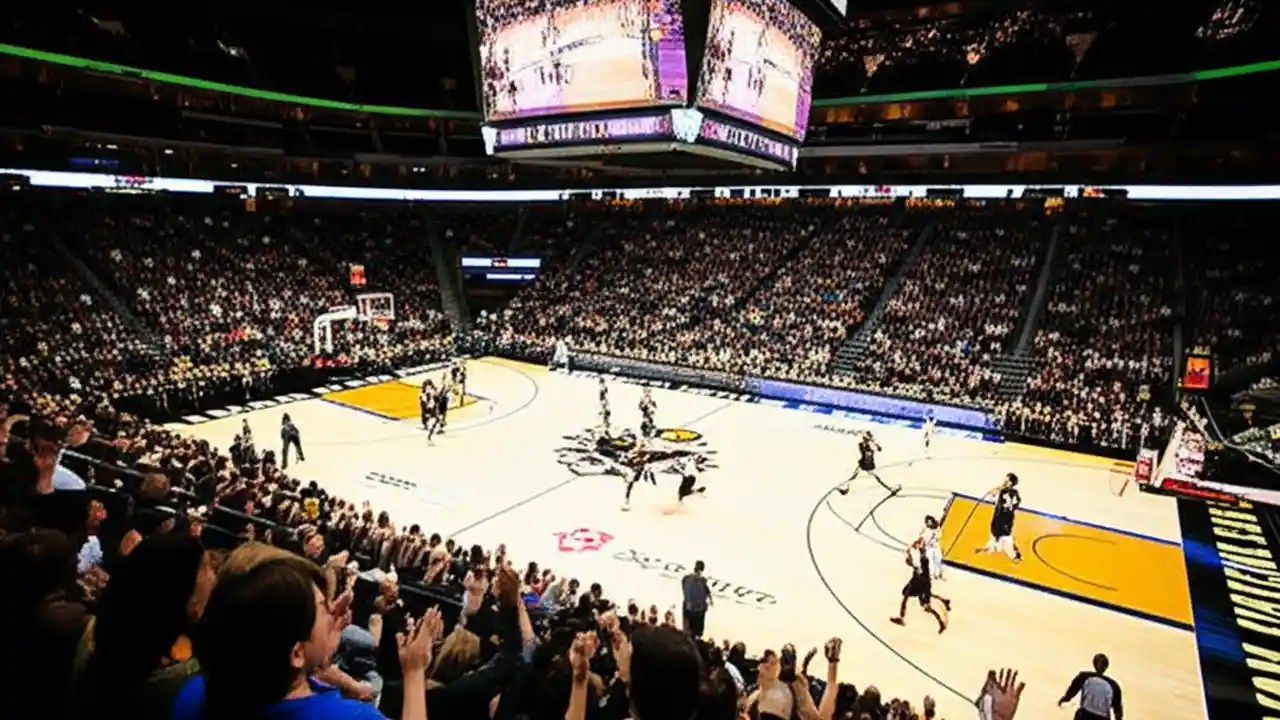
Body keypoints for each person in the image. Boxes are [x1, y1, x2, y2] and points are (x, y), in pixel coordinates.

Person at [890, 539, 951, 633]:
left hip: (920, 582)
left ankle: (902, 618)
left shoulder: (922, 561)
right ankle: (943, 603)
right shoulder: (923, 558)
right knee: (908, 596)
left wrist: (910, 560)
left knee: (922, 604)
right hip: (919, 581)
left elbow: (917, 568)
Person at [1059, 654, 1123, 720]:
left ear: (1094, 663)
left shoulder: (1084, 677)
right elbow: (1118, 710)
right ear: (1106, 667)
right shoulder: (1114, 686)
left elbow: (1073, 690)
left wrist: (1066, 698)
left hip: (1085, 715)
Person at [978, 473, 1023, 561]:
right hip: (1000, 517)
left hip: (1005, 518)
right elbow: (1017, 502)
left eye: (1007, 480)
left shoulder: (1003, 492)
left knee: (1005, 537)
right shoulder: (1013, 493)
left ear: (1011, 483)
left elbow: (992, 497)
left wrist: (996, 492)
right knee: (995, 533)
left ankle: (1014, 555)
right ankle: (991, 547)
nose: (1005, 481)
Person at [836, 431, 897, 495]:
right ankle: (846, 489)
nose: (866, 440)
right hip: (863, 464)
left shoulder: (870, 446)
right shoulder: (863, 445)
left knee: (877, 478)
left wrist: (874, 443)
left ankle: (890, 489)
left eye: (867, 439)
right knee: (854, 476)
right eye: (866, 439)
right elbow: (866, 451)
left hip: (868, 465)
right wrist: (872, 443)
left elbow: (879, 449)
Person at [681, 560, 712, 638]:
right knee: (692, 630)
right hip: (694, 609)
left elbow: (706, 590)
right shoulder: (697, 580)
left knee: (692, 630)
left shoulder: (698, 580)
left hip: (696, 609)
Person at [921, 515, 944, 580]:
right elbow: (923, 538)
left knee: (938, 560)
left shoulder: (937, 528)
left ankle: (939, 574)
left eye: (930, 522)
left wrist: (935, 536)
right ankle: (932, 575)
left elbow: (940, 535)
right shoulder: (926, 529)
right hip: (929, 548)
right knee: (931, 561)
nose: (929, 523)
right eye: (928, 522)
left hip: (936, 546)